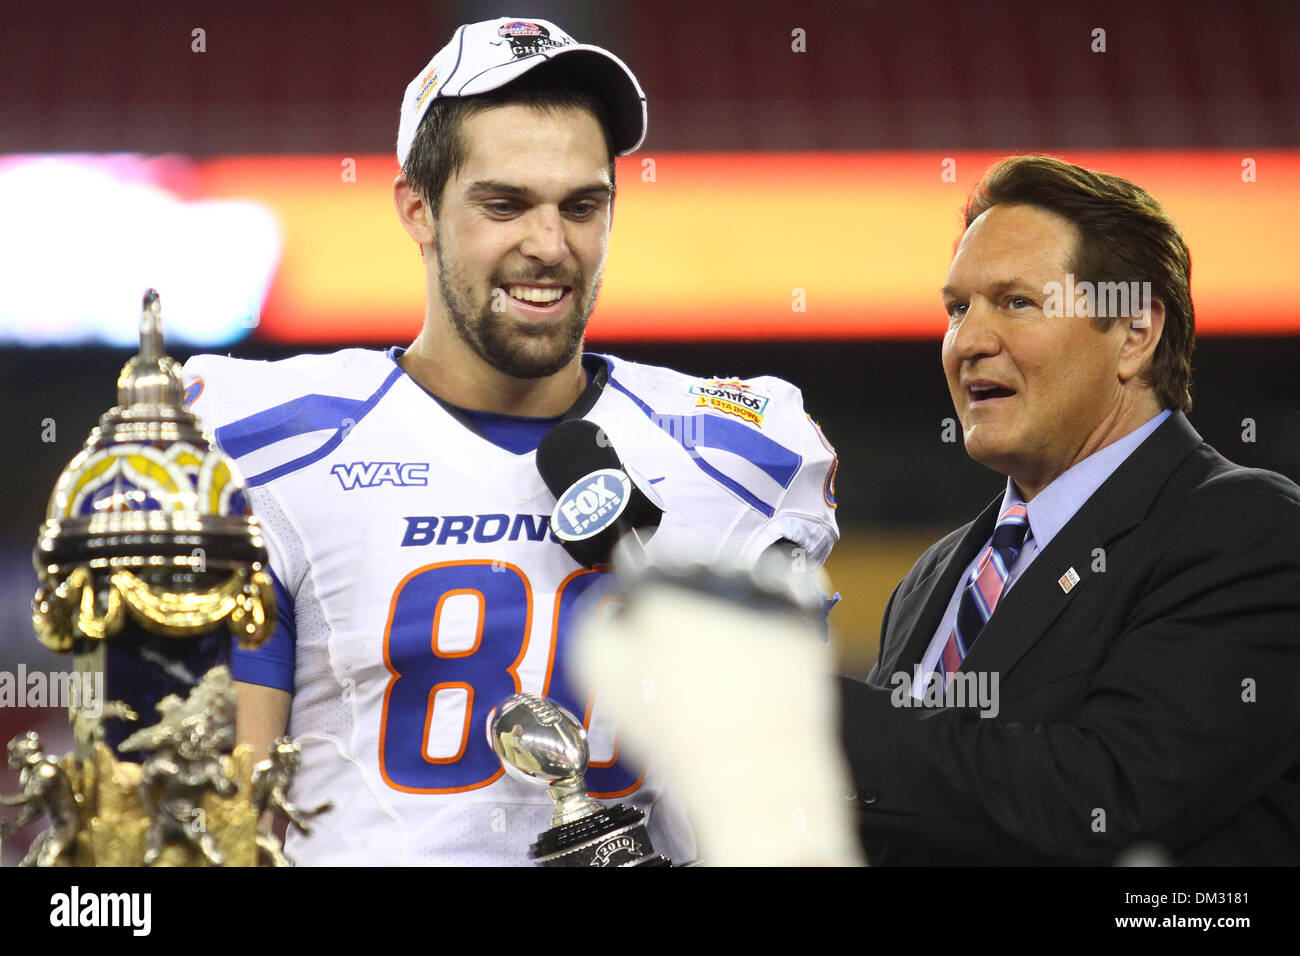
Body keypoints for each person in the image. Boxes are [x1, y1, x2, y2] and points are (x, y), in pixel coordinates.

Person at [181, 17, 839, 866]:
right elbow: (223, 823)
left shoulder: (738, 455)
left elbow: (778, 817)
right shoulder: (268, 441)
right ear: (416, 208)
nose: (548, 246)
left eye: (582, 206)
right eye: (504, 204)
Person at [834, 155, 1300, 864]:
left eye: (1016, 302)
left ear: (1135, 334)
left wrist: (808, 711)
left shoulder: (1251, 533)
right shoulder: (933, 578)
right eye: (957, 308)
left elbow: (1107, 798)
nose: (969, 342)